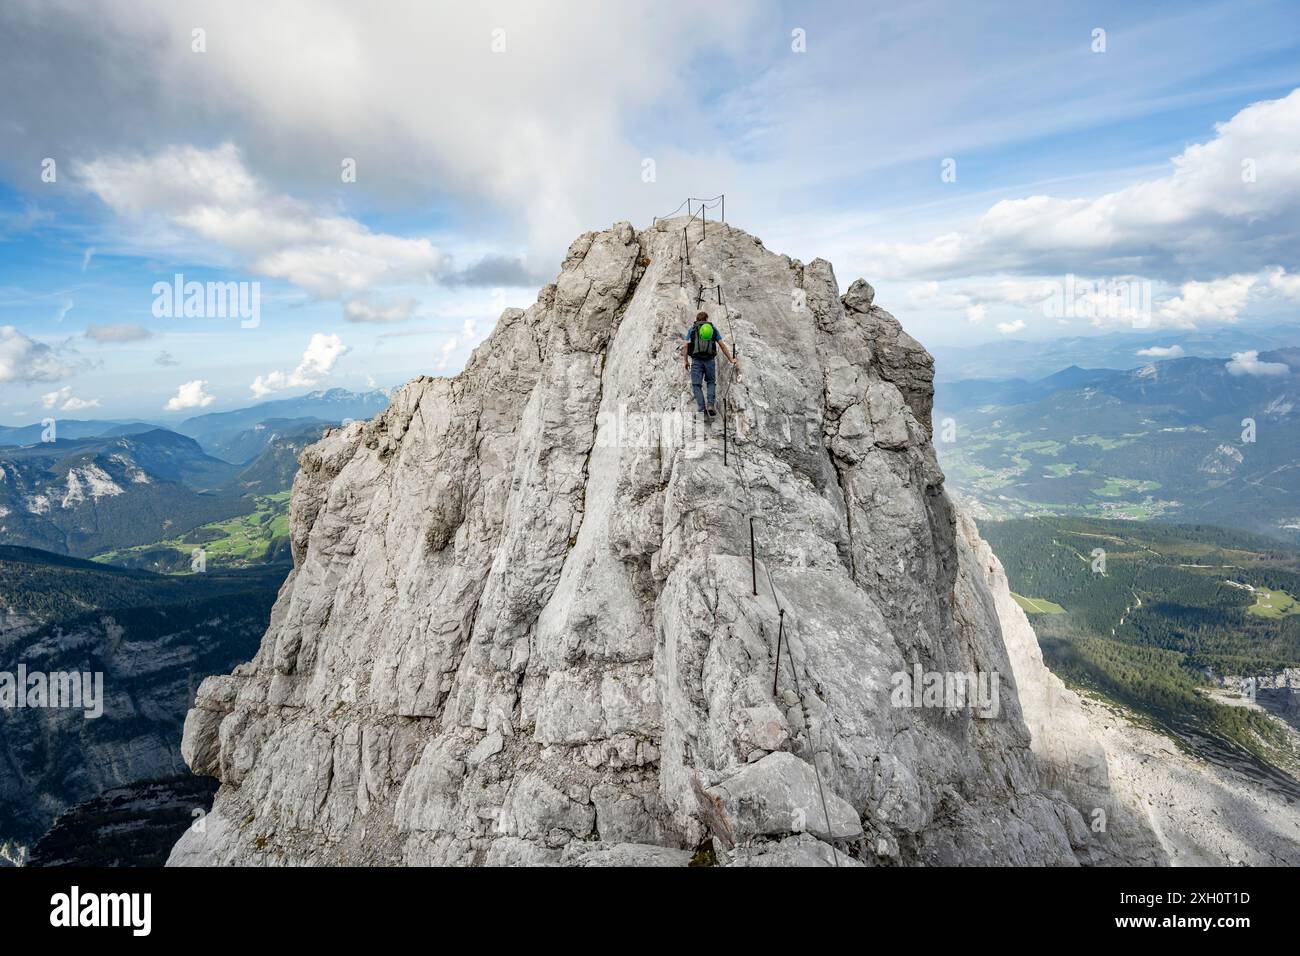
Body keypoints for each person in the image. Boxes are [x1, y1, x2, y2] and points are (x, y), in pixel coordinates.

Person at [683, 311, 739, 417]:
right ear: (706, 319)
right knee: (711, 382)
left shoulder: (692, 330)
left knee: (696, 385)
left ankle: (701, 409)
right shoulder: (712, 329)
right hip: (710, 360)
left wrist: (685, 361)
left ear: (697, 319)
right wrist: (731, 359)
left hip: (696, 360)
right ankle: (710, 405)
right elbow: (722, 345)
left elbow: (685, 346)